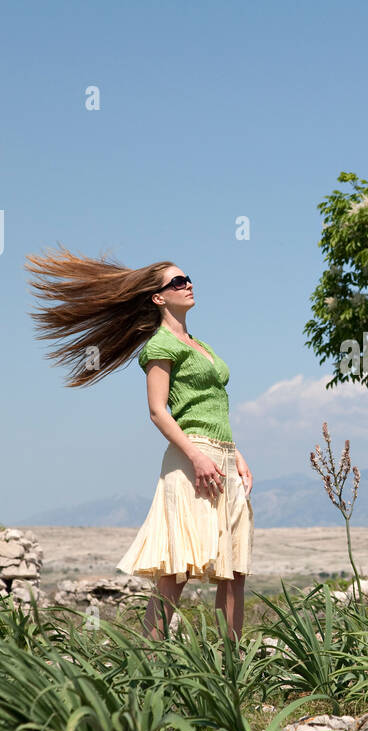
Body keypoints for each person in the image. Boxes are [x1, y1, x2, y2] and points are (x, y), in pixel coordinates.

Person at [24, 246, 254, 643]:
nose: (189, 284)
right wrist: (197, 456)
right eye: (178, 282)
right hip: (192, 459)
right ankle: (150, 661)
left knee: (234, 569)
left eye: (188, 277)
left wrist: (238, 457)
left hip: (225, 458)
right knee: (175, 572)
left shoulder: (202, 345)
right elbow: (158, 411)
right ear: (158, 297)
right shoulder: (159, 346)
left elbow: (215, 407)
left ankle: (231, 670)